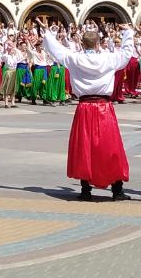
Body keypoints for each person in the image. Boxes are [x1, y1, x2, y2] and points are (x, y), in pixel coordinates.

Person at [42, 24, 135, 201]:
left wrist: (48, 33)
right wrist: (128, 33)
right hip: (104, 108)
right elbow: (126, 53)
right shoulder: (108, 59)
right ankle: (117, 189)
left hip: (85, 107)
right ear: (98, 44)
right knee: (110, 147)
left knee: (84, 147)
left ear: (83, 44)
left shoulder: (74, 58)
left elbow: (56, 50)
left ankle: (86, 190)